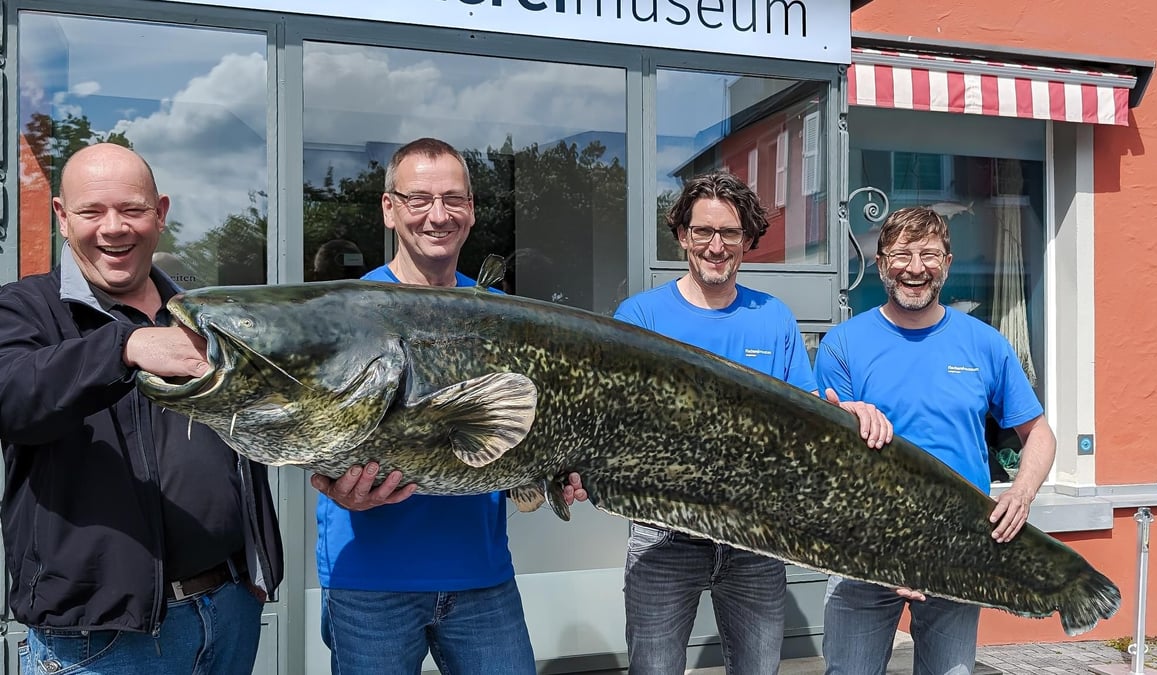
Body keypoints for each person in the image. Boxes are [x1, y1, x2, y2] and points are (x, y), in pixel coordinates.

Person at [0, 143, 284, 674]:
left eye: (132, 209)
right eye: (92, 211)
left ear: (160, 214)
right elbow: (12, 397)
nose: (114, 228)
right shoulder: (24, 309)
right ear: (62, 217)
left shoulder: (204, 315)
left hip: (229, 609)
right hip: (102, 642)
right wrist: (124, 348)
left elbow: (264, 423)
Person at [310, 137, 587, 675]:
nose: (437, 215)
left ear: (471, 210)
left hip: (481, 576)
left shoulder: (503, 313)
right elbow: (311, 423)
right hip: (371, 582)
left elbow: (524, 426)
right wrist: (328, 479)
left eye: (453, 199)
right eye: (419, 199)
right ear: (389, 209)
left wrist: (559, 464)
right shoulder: (348, 312)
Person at [614, 171, 892, 675]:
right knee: (653, 668)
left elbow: (803, 411)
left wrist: (842, 414)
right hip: (664, 534)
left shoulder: (774, 317)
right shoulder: (640, 318)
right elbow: (617, 422)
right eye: (703, 232)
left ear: (747, 240)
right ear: (682, 234)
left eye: (730, 234)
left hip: (755, 537)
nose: (716, 246)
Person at [815, 206, 1056, 675]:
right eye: (902, 254)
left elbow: (1038, 433)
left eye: (929, 254)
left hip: (957, 546)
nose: (915, 267)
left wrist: (1021, 494)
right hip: (864, 551)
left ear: (947, 262)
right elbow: (830, 460)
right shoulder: (842, 345)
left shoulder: (985, 343)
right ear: (882, 262)